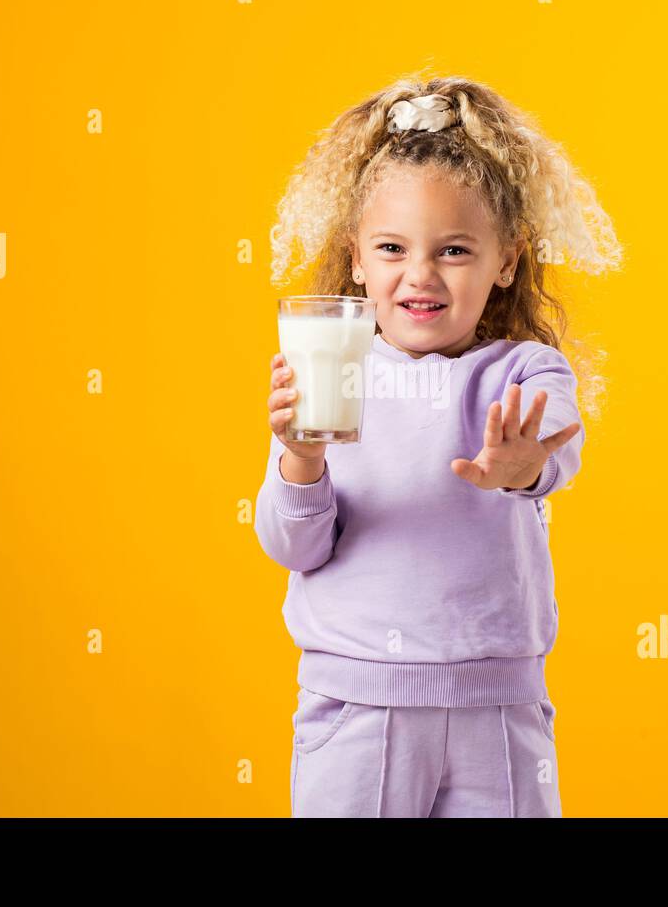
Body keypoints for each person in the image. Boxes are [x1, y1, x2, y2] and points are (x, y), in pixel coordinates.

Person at [257, 74, 622, 816]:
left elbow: (555, 444)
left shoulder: (523, 370)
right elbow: (293, 547)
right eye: (392, 248)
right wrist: (302, 459)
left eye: (454, 250)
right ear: (357, 258)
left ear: (506, 260)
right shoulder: (332, 367)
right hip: (355, 708)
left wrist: (525, 466)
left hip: (496, 711)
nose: (419, 275)